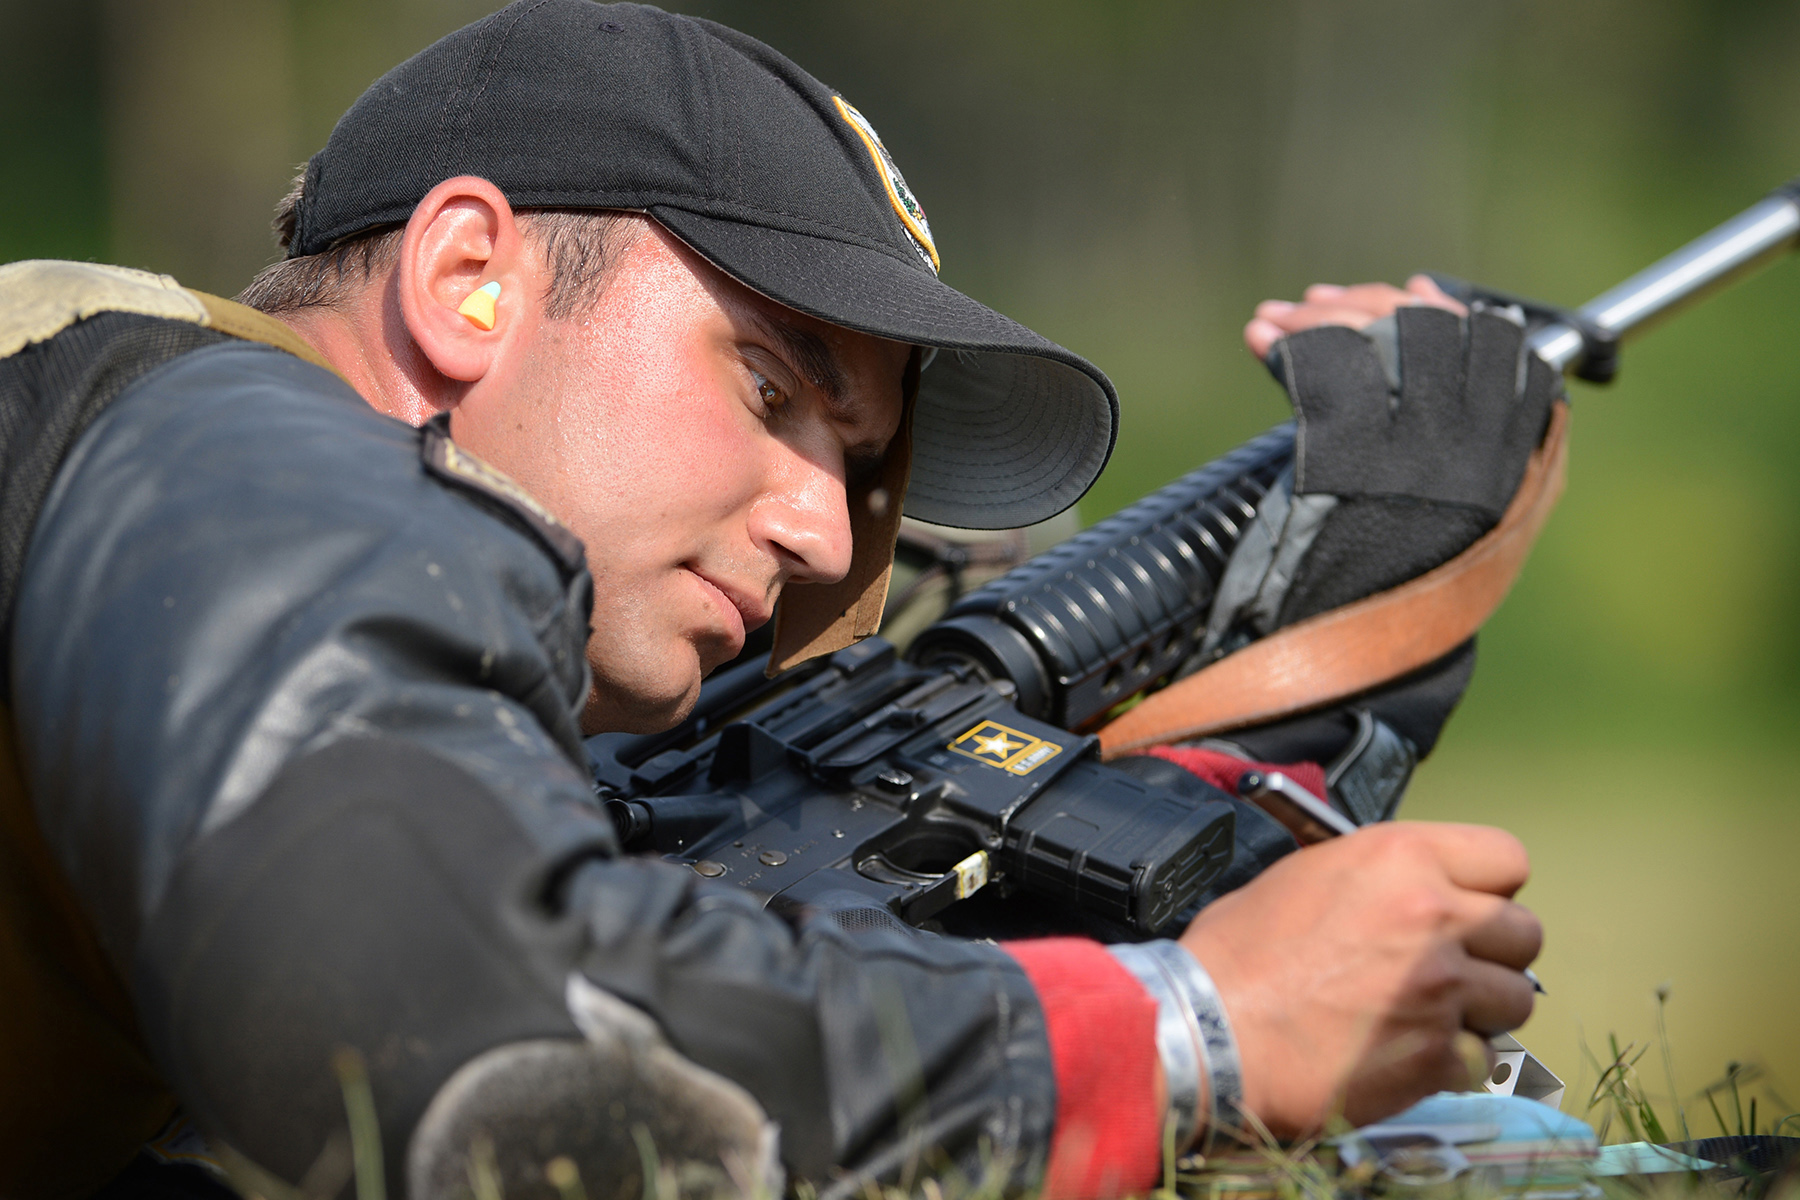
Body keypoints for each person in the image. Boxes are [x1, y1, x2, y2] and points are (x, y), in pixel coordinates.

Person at [0, 3, 1544, 1197]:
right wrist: (1194, 1028)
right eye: (766, 388)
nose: (822, 526)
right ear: (471, 274)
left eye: (860, 460)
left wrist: (1289, 702)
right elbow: (488, 1058)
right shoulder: (238, 445)